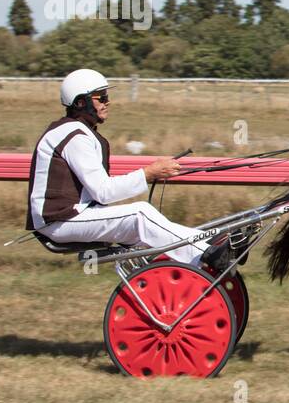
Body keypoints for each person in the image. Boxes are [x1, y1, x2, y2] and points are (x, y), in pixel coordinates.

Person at [26, 68, 230, 268]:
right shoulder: (75, 136)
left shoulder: (77, 132)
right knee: (140, 214)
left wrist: (149, 174)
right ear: (81, 102)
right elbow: (103, 192)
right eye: (101, 97)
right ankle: (207, 253)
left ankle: (207, 250)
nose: (108, 102)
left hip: (73, 216)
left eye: (106, 96)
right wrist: (149, 173)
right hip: (59, 221)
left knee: (151, 230)